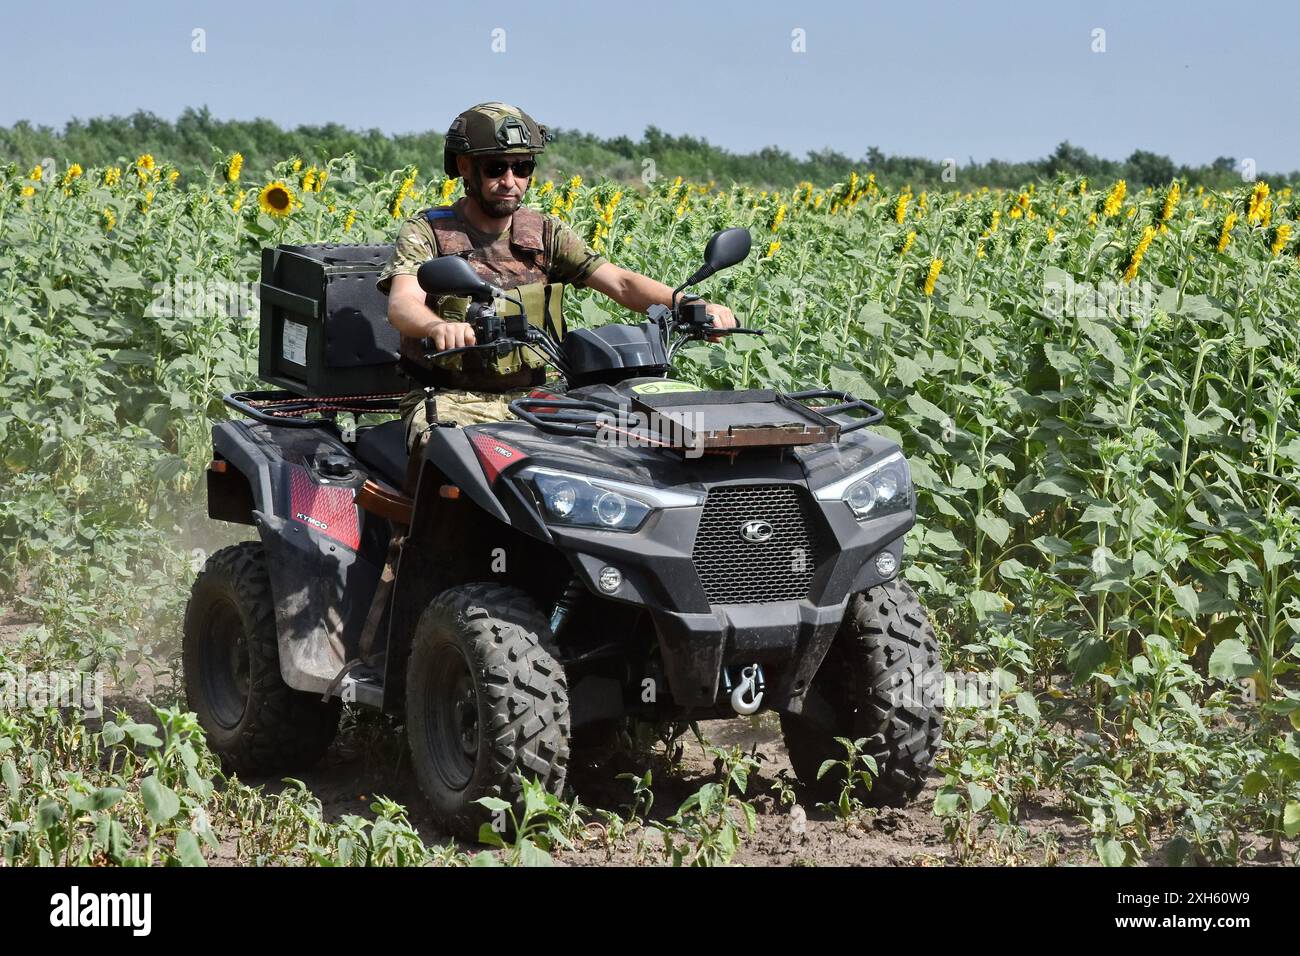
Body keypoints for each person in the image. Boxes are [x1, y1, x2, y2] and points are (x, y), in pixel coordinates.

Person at [376, 101, 736, 454]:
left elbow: (620, 282)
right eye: (496, 168)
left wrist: (688, 305)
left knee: (614, 453)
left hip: (536, 398)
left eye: (522, 167)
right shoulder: (429, 231)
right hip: (449, 398)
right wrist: (438, 327)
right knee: (453, 462)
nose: (510, 181)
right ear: (465, 167)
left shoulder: (543, 233)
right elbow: (403, 303)